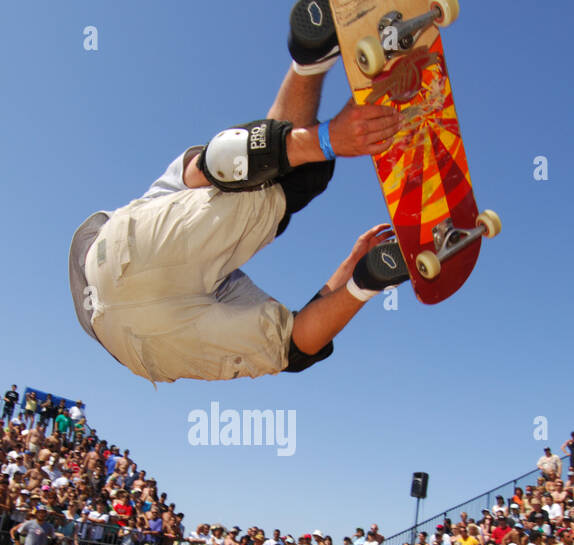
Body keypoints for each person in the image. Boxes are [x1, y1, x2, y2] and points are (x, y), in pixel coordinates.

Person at [68, 2, 410, 384]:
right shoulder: (219, 268)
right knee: (257, 174)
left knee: (281, 179)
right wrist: (328, 139)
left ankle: (310, 63)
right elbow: (210, 165)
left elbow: (209, 166)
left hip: (128, 324)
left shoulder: (221, 275)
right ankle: (311, 70)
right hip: (129, 295)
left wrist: (352, 269)